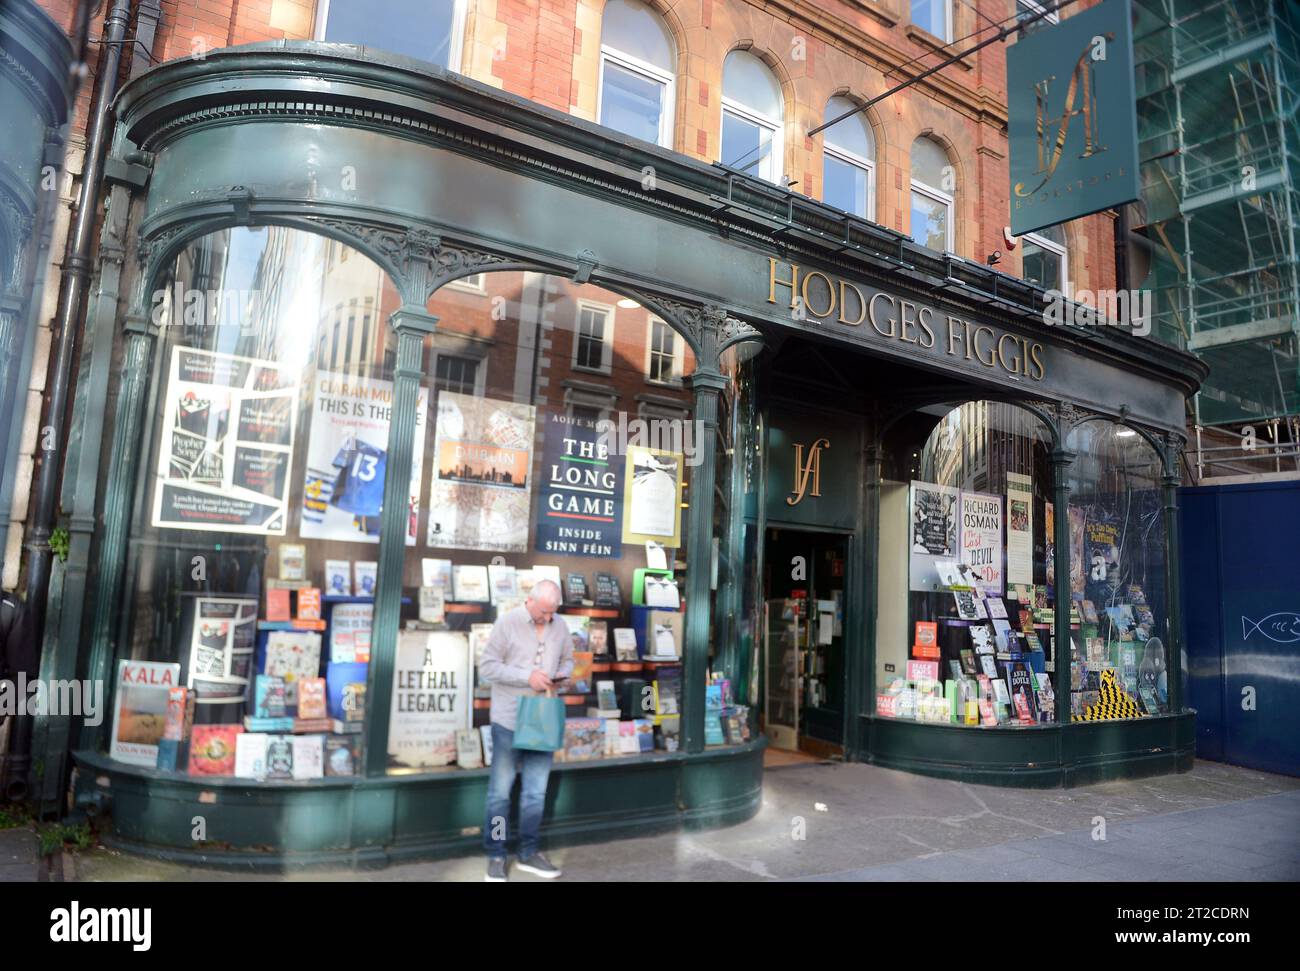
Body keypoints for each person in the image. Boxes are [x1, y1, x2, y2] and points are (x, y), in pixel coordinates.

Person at [477, 578, 573, 881]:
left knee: (535, 792)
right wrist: (526, 677)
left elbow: (570, 661)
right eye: (544, 611)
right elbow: (488, 667)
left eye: (553, 612)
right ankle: (496, 853)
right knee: (499, 794)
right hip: (508, 719)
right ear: (529, 601)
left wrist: (562, 676)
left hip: (543, 717)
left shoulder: (560, 626)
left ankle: (529, 852)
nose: (548, 618)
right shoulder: (507, 623)